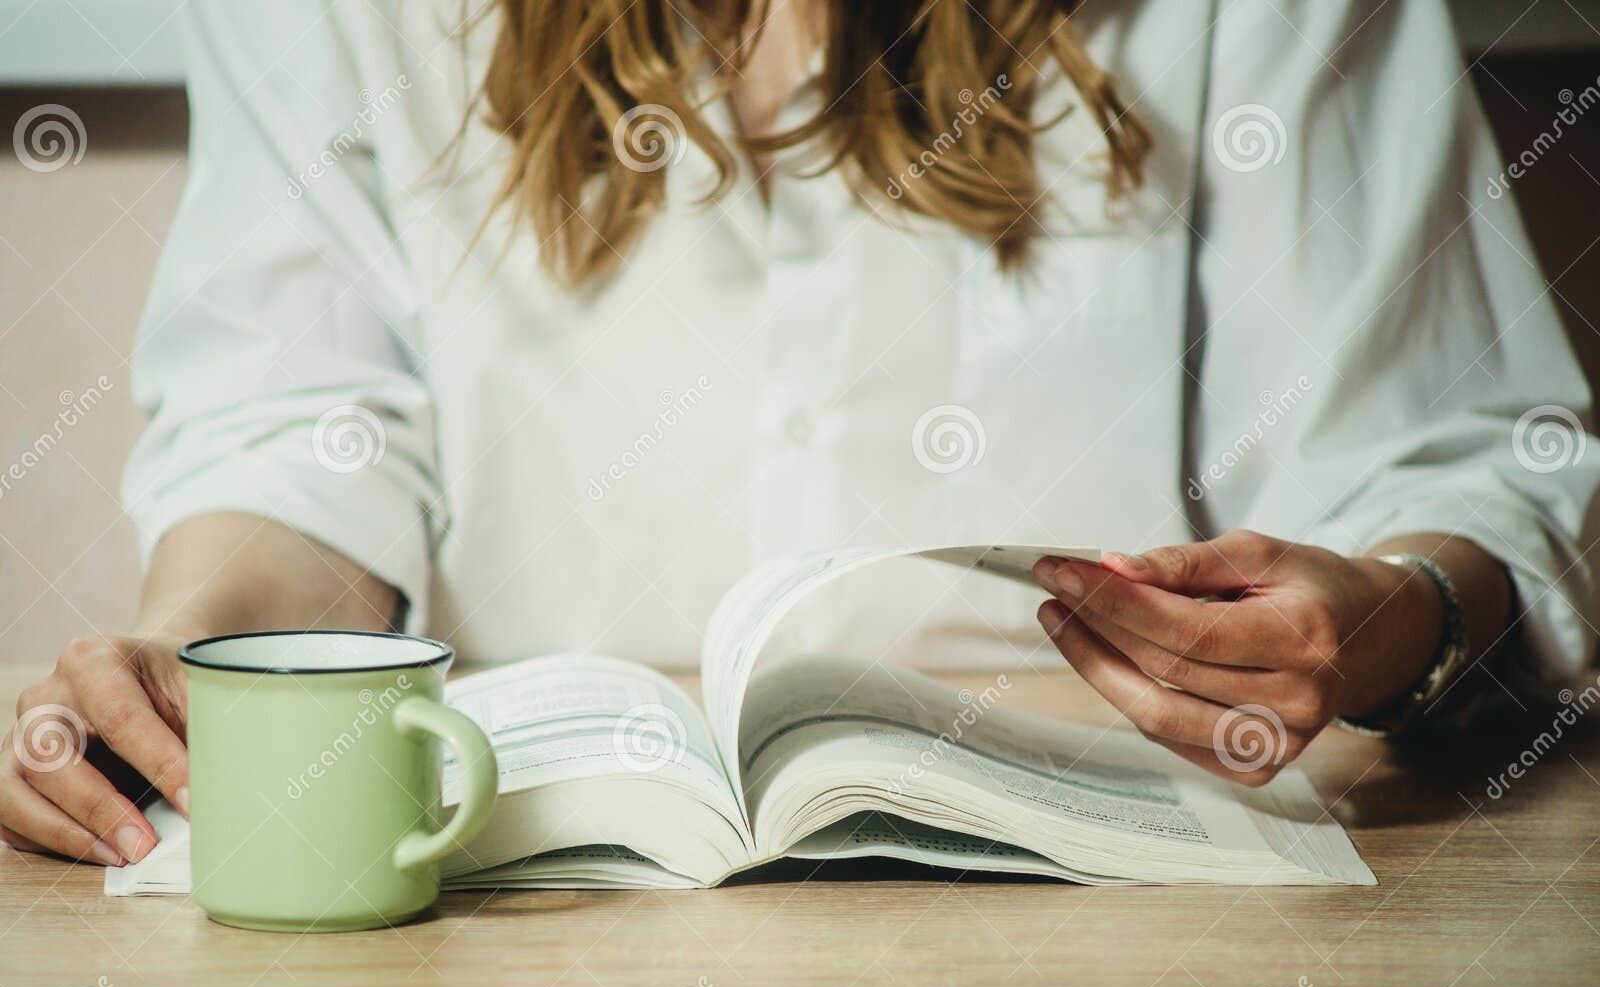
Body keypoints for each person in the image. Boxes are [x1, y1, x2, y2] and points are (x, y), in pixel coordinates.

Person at [3, 0, 1594, 866]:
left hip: (1132, 890)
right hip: (529, 879)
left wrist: (1401, 614)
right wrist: (186, 664)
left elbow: (1456, 468)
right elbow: (300, 436)